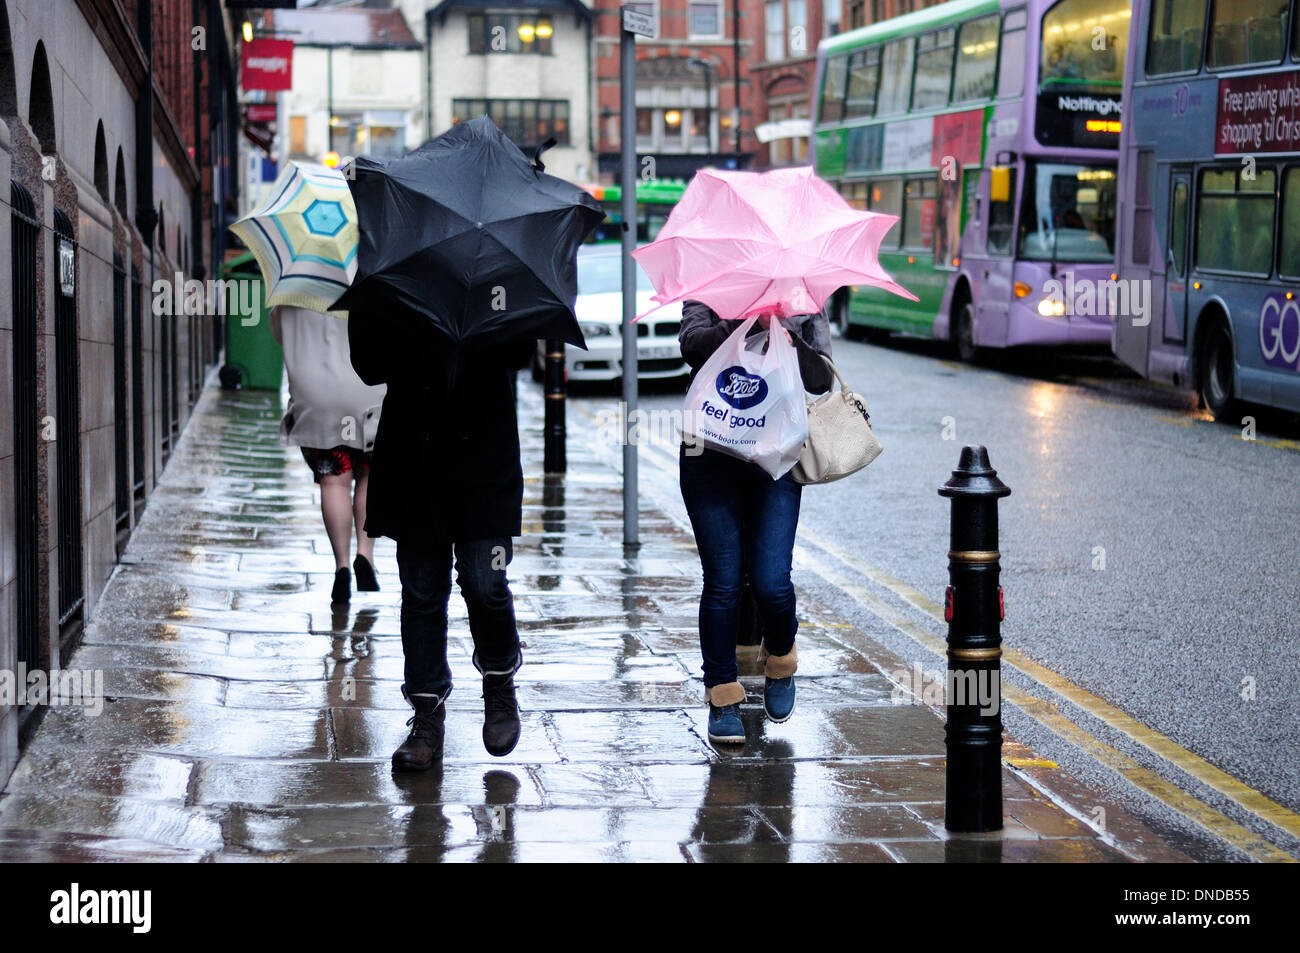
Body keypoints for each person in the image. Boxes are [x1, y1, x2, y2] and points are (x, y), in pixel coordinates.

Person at [348, 307, 533, 771]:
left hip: (484, 457)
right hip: (415, 459)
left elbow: (521, 351)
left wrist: (479, 323)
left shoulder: (498, 272)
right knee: (422, 591)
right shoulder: (392, 274)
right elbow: (368, 363)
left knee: (485, 581)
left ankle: (498, 678)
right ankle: (427, 716)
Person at [678, 301, 833, 746]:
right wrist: (744, 319)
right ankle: (723, 696)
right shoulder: (710, 286)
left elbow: (821, 378)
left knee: (771, 581)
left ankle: (781, 657)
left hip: (777, 459)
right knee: (724, 581)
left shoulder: (802, 298)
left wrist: (783, 329)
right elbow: (692, 346)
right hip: (710, 453)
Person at [270, 305, 386, 605]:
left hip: (317, 395)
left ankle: (342, 566)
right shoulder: (373, 276)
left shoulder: (297, 284)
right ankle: (365, 554)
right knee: (368, 475)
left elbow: (279, 333)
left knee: (334, 481)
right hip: (368, 390)